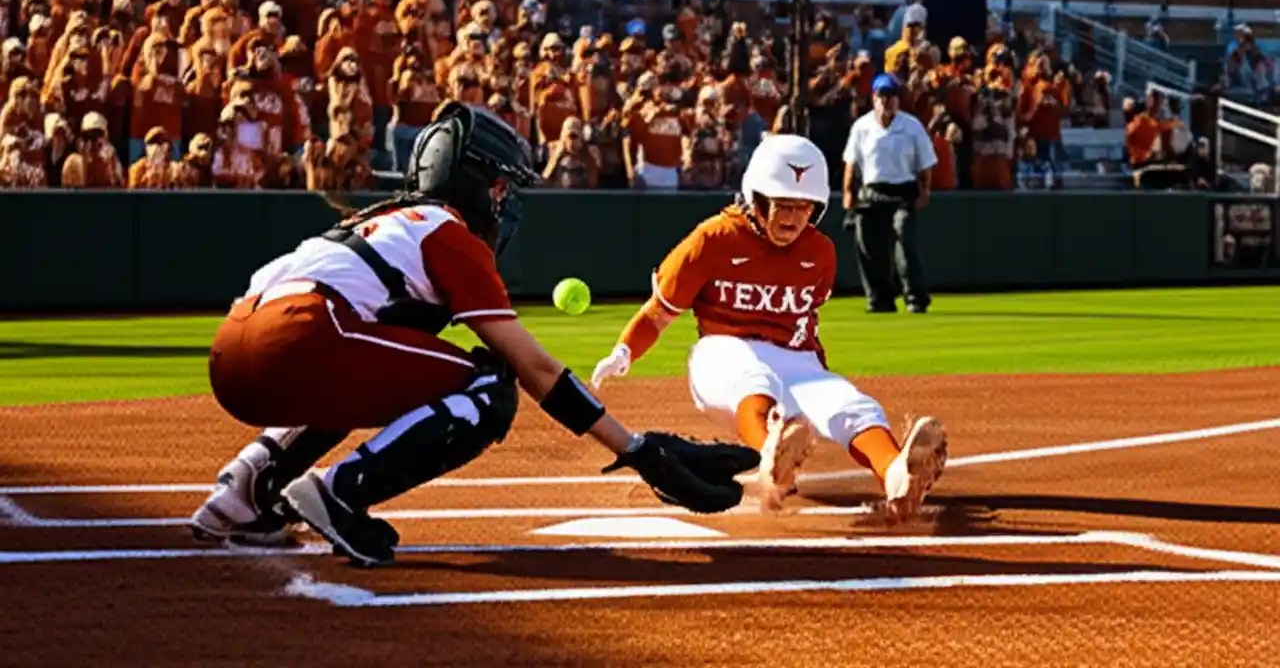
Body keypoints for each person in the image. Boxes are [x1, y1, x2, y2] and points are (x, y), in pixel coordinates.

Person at [189, 103, 756, 567]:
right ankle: (340, 492)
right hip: (300, 337)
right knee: (488, 385)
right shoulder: (448, 232)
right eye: (502, 187)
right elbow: (533, 367)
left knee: (369, 366)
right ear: (473, 182)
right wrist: (634, 449)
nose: (504, 202)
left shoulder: (376, 220)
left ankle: (246, 490)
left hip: (234, 352)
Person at [590, 134, 948, 518]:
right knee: (753, 378)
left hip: (797, 359)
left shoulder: (820, 253)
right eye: (782, 206)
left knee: (851, 406)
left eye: (804, 207)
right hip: (722, 354)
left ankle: (897, 476)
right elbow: (659, 312)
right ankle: (770, 457)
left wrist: (820, 382)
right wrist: (624, 350)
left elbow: (807, 330)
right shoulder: (713, 239)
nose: (793, 218)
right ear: (756, 198)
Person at [841, 74, 936, 314]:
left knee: (904, 236)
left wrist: (925, 189)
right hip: (872, 191)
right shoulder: (862, 127)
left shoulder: (911, 126)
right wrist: (848, 193)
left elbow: (925, 163)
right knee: (867, 243)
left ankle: (915, 296)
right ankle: (879, 298)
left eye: (891, 96)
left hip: (903, 191)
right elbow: (852, 162)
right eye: (882, 96)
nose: (887, 101)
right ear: (874, 98)